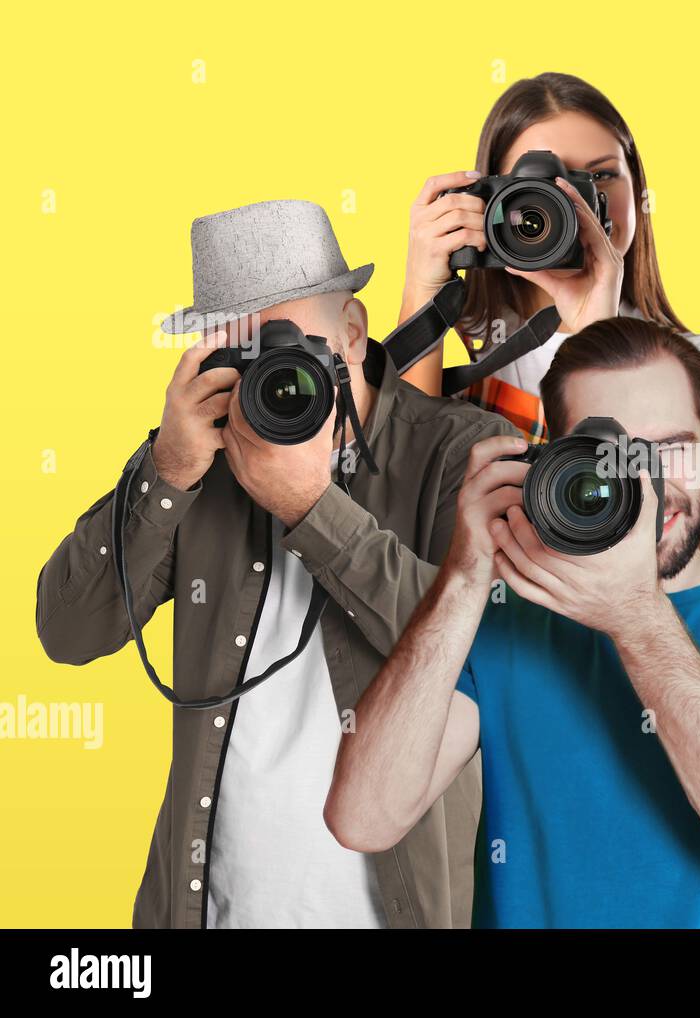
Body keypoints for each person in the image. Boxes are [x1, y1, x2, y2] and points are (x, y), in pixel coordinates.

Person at [35, 200, 517, 929]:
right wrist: (165, 475)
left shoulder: (460, 452)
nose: (274, 376)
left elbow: (491, 657)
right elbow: (66, 630)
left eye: (291, 345)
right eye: (241, 355)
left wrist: (312, 508)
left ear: (353, 334)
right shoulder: (193, 459)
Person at [325, 317, 700, 928]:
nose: (648, 486)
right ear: (552, 462)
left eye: (668, 450)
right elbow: (363, 818)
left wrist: (635, 614)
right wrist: (462, 576)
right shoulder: (504, 622)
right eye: (610, 456)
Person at [396, 70, 700, 466]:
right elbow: (402, 485)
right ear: (493, 199)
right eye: (544, 186)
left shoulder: (695, 366)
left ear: (636, 189)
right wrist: (422, 292)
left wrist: (598, 332)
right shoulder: (453, 341)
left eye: (600, 175)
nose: (574, 202)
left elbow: (671, 524)